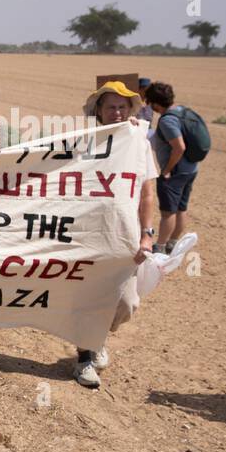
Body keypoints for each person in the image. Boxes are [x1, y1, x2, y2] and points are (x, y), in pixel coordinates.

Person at [72, 81, 161, 387]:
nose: (118, 112)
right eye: (111, 106)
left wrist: (147, 234)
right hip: (86, 236)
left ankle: (98, 338)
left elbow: (147, 194)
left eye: (123, 107)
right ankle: (84, 358)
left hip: (125, 237)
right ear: (99, 110)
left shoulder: (140, 143)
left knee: (126, 304)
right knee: (87, 298)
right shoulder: (84, 141)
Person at [145, 81, 197, 255]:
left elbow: (179, 147)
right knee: (181, 208)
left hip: (175, 172)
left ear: (156, 104)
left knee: (168, 212)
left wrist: (166, 170)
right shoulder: (182, 110)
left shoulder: (167, 121)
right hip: (190, 168)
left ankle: (159, 247)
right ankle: (173, 243)